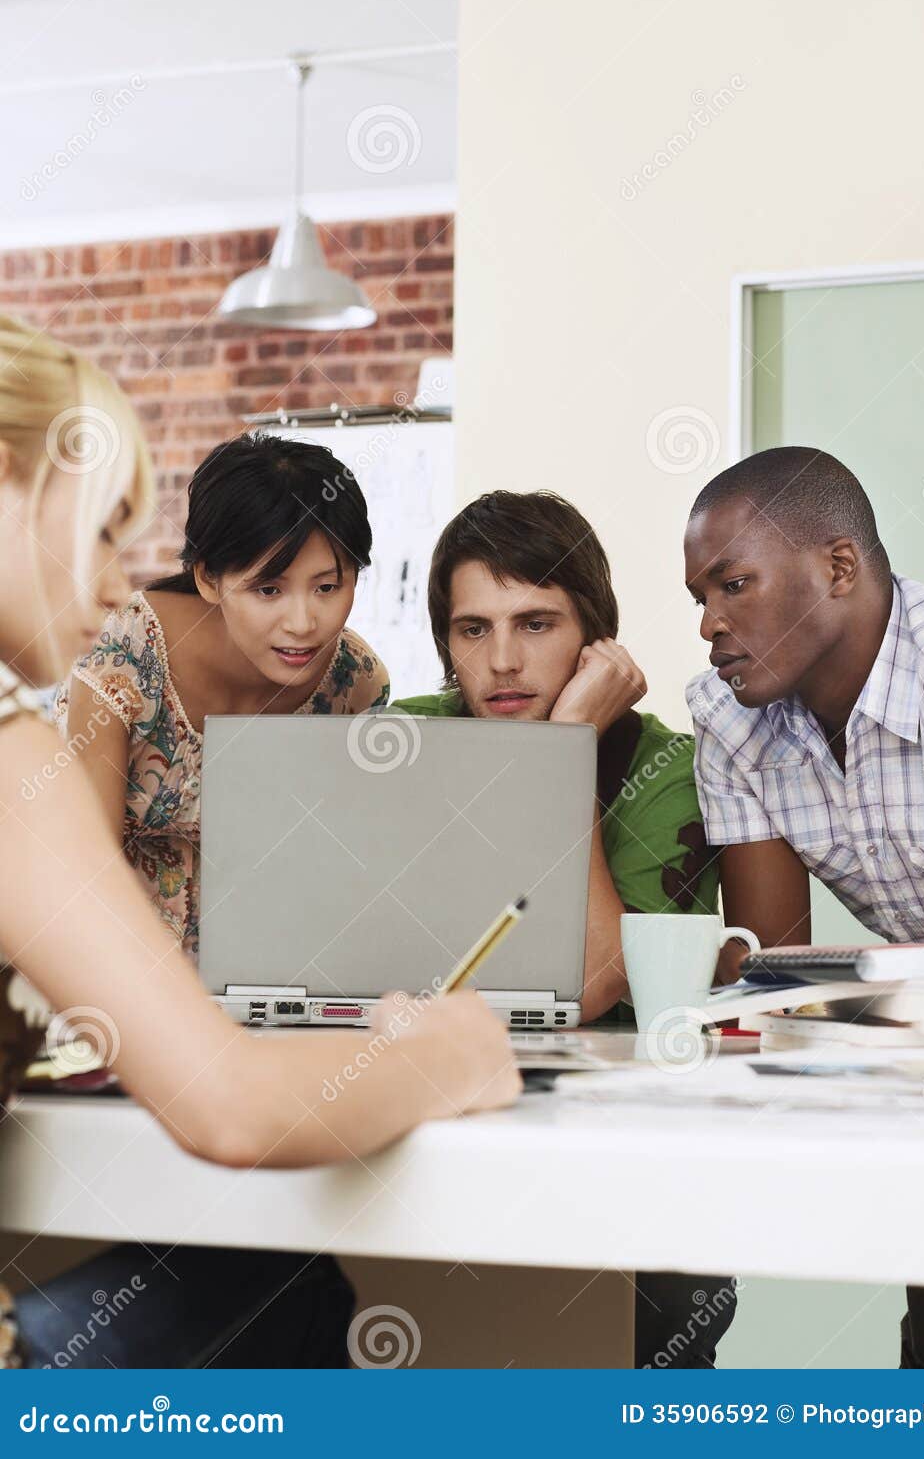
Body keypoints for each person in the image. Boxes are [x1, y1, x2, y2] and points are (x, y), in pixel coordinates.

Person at [0, 314, 520, 1369]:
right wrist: (456, 1049)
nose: (115, 580)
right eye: (102, 528)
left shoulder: (353, 680)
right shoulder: (27, 750)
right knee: (282, 1289)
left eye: (329, 584)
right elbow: (234, 1110)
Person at [684, 444, 924, 1369]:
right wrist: (804, 997)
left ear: (838, 567)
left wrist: (835, 994)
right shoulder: (731, 718)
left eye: (732, 585)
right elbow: (767, 985)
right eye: (699, 596)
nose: (709, 625)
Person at [391, 489, 732, 1369]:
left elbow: (587, 986)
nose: (502, 660)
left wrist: (565, 747)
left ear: (595, 638)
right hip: (441, 1127)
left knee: (670, 1304)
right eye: (472, 630)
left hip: (612, 1142)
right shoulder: (399, 745)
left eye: (535, 622)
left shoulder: (661, 769)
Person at [55, 433, 389, 955]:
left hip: (273, 972)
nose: (303, 624)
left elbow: (342, 870)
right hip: (110, 970)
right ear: (209, 578)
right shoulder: (124, 652)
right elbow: (85, 874)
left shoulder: (353, 683)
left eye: (327, 587)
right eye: (268, 589)